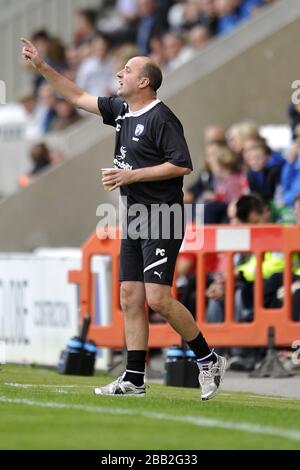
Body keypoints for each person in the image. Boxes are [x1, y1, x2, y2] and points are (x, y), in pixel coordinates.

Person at [21, 36, 226, 400]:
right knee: (129, 296)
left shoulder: (162, 117)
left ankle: (208, 359)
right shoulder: (121, 111)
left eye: (127, 69)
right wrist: (42, 66)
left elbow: (182, 164)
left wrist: (131, 175)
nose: (119, 73)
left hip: (162, 215)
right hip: (134, 216)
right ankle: (134, 378)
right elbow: (76, 96)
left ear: (144, 82)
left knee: (158, 298)